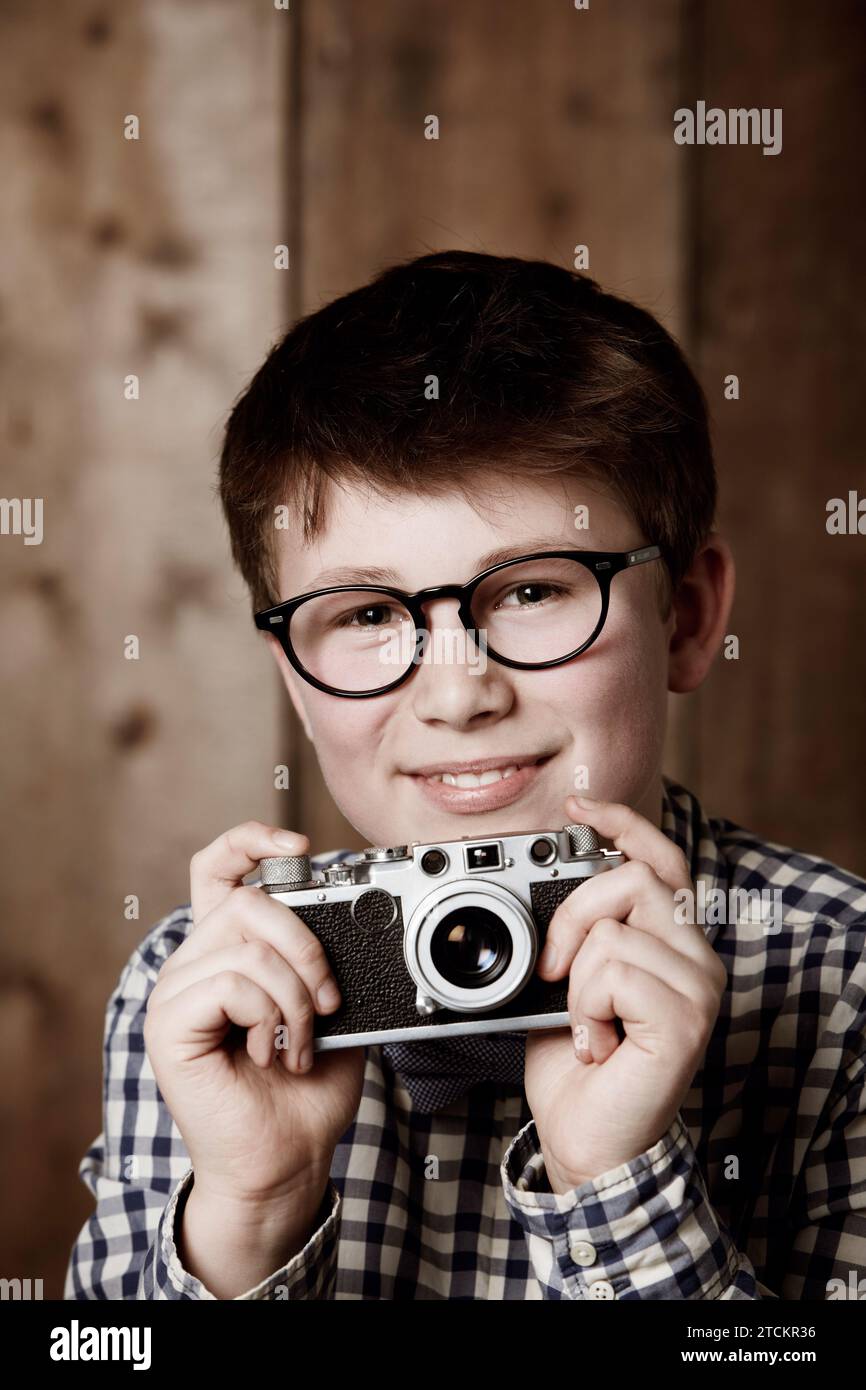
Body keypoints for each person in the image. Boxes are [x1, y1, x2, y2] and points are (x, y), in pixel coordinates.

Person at [65, 252, 866, 1300]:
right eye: (364, 616)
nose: (456, 694)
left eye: (532, 589)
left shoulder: (839, 981)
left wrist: (616, 1184)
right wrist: (249, 1212)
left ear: (685, 615)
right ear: (296, 686)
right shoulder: (204, 996)